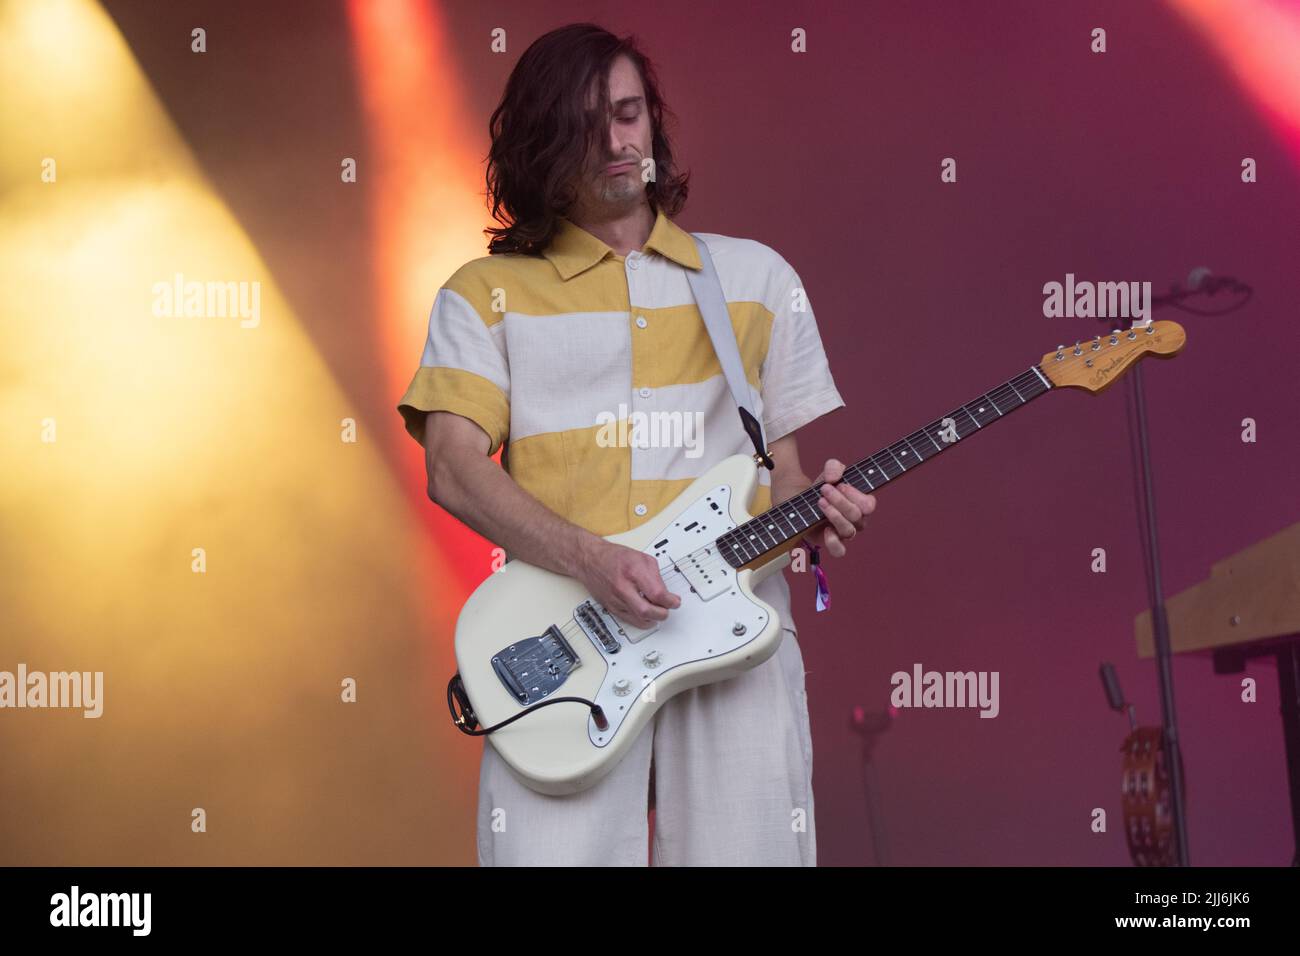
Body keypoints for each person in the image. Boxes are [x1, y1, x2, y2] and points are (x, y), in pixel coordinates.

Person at [397, 22, 875, 866]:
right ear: (543, 145)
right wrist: (588, 559)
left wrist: (821, 509)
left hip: (734, 635)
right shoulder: (484, 294)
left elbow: (786, 477)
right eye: (589, 124)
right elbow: (453, 468)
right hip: (565, 641)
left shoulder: (757, 279)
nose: (619, 141)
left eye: (629, 114)